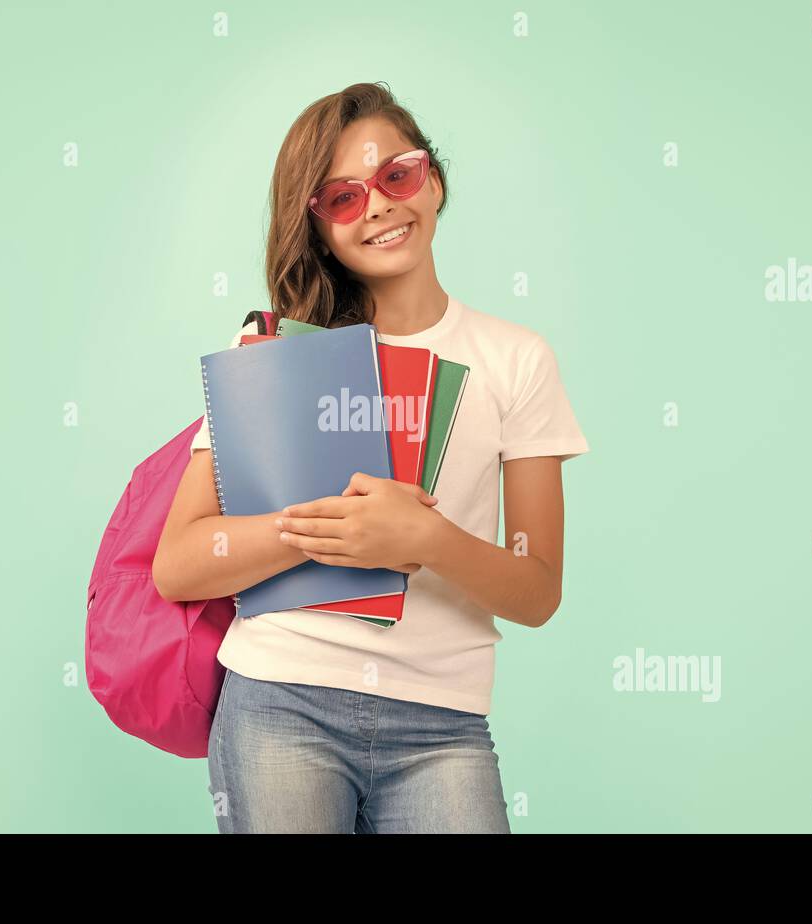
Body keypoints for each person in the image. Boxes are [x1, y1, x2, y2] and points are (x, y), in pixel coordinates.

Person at [152, 82, 589, 833]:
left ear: (435, 180)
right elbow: (180, 563)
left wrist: (425, 541)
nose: (379, 206)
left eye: (397, 175)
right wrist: (321, 529)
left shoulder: (516, 359)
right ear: (318, 228)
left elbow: (537, 590)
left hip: (442, 724)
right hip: (281, 701)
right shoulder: (274, 350)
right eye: (342, 198)